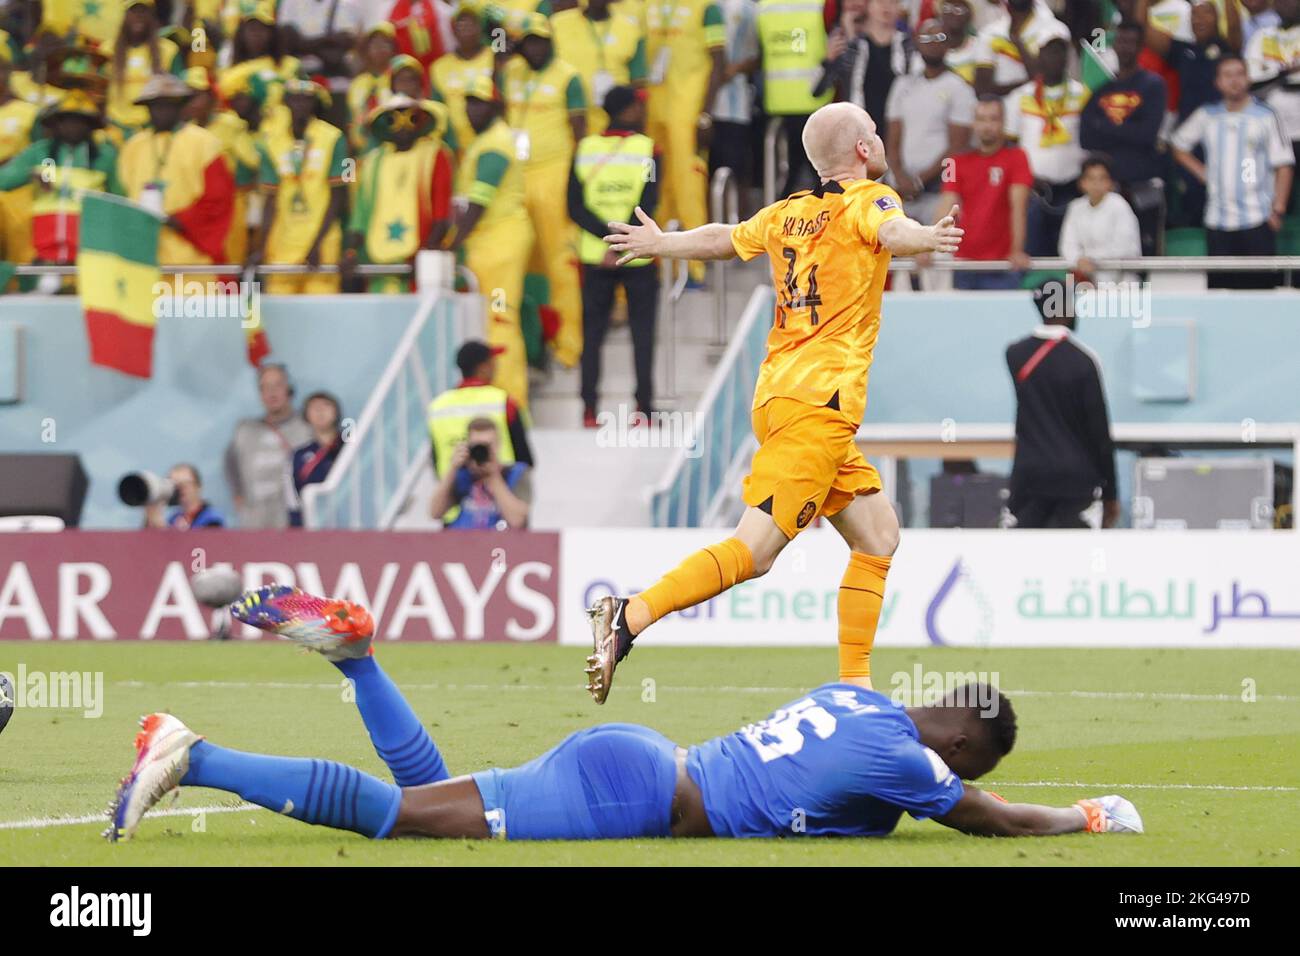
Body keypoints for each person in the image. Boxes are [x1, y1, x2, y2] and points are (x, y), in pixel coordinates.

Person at [106, 582, 1145, 844]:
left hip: (645, 759)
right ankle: (194, 756)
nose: (958, 768)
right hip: (636, 787)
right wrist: (1083, 816)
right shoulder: (914, 763)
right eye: (966, 754)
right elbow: (991, 816)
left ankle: (361, 659)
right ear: (959, 739)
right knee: (404, 819)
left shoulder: (857, 696)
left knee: (429, 798)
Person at [593, 100, 963, 704]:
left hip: (781, 397)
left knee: (878, 536)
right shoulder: (872, 200)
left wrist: (665, 244)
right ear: (864, 151)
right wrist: (928, 237)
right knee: (755, 551)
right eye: (872, 129)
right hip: (819, 403)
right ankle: (630, 615)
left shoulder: (788, 213)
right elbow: (892, 230)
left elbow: (723, 238)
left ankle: (855, 690)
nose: (877, 134)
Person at [570, 85, 661, 426]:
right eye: (637, 106)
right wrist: (623, 241)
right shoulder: (648, 148)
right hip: (638, 254)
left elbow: (574, 206)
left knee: (592, 335)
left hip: (596, 256)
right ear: (627, 110)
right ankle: (645, 412)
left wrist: (606, 241)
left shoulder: (584, 148)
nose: (641, 111)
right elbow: (650, 201)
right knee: (642, 333)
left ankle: (589, 411)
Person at [502, 15, 588, 368]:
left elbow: (580, 132)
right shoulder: (511, 73)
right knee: (523, 263)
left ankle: (569, 344)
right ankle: (532, 343)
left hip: (554, 174)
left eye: (540, 41)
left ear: (551, 42)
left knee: (560, 262)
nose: (534, 48)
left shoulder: (568, 77)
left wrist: (577, 182)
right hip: (517, 177)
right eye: (528, 42)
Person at [1172, 54, 1295, 288]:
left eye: (1239, 74)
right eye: (1228, 76)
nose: (1234, 81)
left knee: (1260, 293)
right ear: (1217, 82)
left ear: (1248, 78)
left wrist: (1278, 209)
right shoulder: (1208, 116)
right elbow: (1178, 145)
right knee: (1221, 294)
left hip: (1258, 219)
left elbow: (1284, 164)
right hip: (1217, 220)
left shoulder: (1265, 116)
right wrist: (1203, 173)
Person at [1005, 280, 1119, 530]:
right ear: (1067, 308)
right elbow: (1099, 433)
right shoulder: (1084, 361)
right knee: (1072, 563)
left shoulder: (1015, 355)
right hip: (1077, 481)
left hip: (1029, 478)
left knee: (1025, 562)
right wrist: (1111, 493)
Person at [450, 76, 535, 409]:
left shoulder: (495, 144)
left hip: (502, 244)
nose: (472, 109)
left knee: (501, 321)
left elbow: (478, 203)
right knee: (490, 323)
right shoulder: (483, 141)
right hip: (490, 244)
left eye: (480, 103)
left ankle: (512, 405)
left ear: (496, 106)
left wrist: (450, 244)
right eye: (468, 102)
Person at [117, 73, 234, 283]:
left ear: (181, 107)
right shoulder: (133, 146)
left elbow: (219, 200)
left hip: (193, 259)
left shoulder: (204, 142)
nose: (161, 111)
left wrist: (178, 221)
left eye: (168, 105)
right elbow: (123, 195)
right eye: (155, 106)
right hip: (144, 256)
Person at [644, 0, 727, 285]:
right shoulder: (648, 6)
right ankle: (660, 265)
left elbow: (719, 61)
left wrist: (705, 112)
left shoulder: (707, 8)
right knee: (657, 187)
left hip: (687, 111)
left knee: (688, 186)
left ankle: (694, 268)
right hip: (653, 109)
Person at [0, 90, 121, 273]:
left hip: (89, 250)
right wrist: (30, 173)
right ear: (56, 124)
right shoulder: (39, 152)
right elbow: (4, 180)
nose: (73, 126)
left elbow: (120, 199)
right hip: (44, 250)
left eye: (80, 121)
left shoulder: (105, 156)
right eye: (66, 120)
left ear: (90, 126)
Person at [343, 94, 454, 293]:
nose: (403, 125)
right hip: (379, 266)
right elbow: (360, 215)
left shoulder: (436, 154)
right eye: (394, 119)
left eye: (411, 117)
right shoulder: (372, 161)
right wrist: (350, 252)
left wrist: (426, 255)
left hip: (419, 270)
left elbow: (441, 213)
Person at [885, 18, 976, 248]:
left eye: (940, 38)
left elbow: (958, 145)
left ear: (949, 45)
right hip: (901, 189)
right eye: (926, 38)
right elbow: (892, 139)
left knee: (936, 255)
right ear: (916, 43)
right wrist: (901, 178)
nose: (933, 43)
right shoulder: (902, 85)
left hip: (938, 189)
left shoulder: (959, 87)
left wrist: (919, 181)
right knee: (899, 257)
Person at [1079, 20, 1168, 255]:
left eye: (1131, 43)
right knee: (1107, 249)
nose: (1125, 47)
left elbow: (1148, 134)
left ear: (1140, 48)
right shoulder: (1102, 90)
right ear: (1114, 46)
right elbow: (1085, 138)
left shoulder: (1153, 85)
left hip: (1143, 186)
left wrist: (1105, 127)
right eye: (1121, 41)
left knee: (1145, 252)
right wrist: (1129, 129)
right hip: (1108, 189)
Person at [250, 78, 346, 294]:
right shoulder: (271, 142)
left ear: (315, 104)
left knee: (320, 311)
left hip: (322, 242)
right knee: (280, 313)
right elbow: (270, 198)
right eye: (294, 100)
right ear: (286, 103)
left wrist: (317, 243)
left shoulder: (334, 137)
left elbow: (339, 196)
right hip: (283, 242)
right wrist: (261, 246)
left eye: (307, 100)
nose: (300, 106)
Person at [427, 340, 535, 526]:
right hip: (465, 500)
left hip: (496, 507)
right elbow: (524, 457)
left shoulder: (437, 407)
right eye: (492, 362)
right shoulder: (503, 401)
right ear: (483, 367)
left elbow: (436, 459)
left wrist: (491, 473)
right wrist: (456, 468)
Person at [1003, 34, 1089, 258]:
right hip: (1033, 190)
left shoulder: (1082, 94)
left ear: (1068, 59)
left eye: (1060, 54)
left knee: (1069, 250)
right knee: (1033, 251)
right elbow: (1010, 145)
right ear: (1039, 58)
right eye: (1049, 54)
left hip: (1072, 187)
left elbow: (1090, 139)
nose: (1054, 59)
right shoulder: (1020, 96)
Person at [940, 95, 1032, 289]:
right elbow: (946, 205)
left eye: (993, 119)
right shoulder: (955, 162)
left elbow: (1019, 208)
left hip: (1002, 264)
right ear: (973, 123)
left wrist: (1016, 250)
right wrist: (927, 244)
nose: (987, 125)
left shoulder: (1018, 157)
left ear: (1003, 122)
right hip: (963, 263)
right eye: (981, 119)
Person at [223, 363, 313, 530]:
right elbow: (230, 461)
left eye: (278, 385)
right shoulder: (245, 430)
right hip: (254, 523)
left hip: (295, 524)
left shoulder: (307, 428)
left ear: (289, 389)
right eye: (265, 387)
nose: (272, 392)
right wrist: (237, 493)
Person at [757, 0, 831, 196]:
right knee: (816, 176)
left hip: (779, 101)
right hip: (814, 100)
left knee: (794, 174)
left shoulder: (764, 6)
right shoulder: (818, 4)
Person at [552, 0, 647, 136]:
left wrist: (637, 121)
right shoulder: (558, 23)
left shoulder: (630, 28)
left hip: (616, 116)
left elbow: (638, 81)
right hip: (571, 114)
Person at [428, 416, 532, 529]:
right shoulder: (464, 475)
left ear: (498, 444)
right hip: (463, 541)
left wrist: (493, 477)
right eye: (478, 446)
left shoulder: (515, 473)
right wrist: (452, 468)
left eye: (488, 446)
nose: (482, 451)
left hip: (500, 543)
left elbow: (518, 521)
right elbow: (435, 512)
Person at [103, 0, 184, 140]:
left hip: (152, 129)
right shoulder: (107, 50)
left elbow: (178, 93)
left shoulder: (169, 50)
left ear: (152, 15)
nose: (139, 16)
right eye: (133, 12)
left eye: (144, 11)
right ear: (124, 16)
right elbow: (98, 93)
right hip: (115, 129)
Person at [1059, 154, 1143, 285]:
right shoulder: (1076, 207)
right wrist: (1078, 259)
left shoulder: (1119, 205)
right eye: (1091, 178)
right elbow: (1067, 245)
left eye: (1102, 178)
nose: (1096, 184)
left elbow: (1125, 247)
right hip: (1086, 281)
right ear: (1082, 183)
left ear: (1110, 182)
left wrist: (1090, 258)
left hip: (1121, 282)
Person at [429, 1, 495, 161]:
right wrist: (449, 144)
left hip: (489, 143)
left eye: (471, 23)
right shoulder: (439, 67)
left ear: (480, 28)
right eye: (460, 23)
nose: (465, 27)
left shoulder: (494, 58)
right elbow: (438, 109)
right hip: (456, 149)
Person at [1245, 0, 1300, 190]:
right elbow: (1251, 85)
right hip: (1272, 130)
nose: (1287, 4)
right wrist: (1285, 75)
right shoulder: (1262, 37)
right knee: (1279, 198)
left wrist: (1274, 76)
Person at [973, 0, 1071, 98]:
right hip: (1002, 110)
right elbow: (982, 90)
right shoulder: (990, 33)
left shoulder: (1056, 30)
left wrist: (1019, 44)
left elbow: (1046, 79)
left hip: (1042, 108)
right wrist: (1027, 86)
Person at [288, 391, 344, 528]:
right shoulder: (298, 456)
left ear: (336, 412)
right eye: (314, 407)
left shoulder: (350, 448)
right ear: (306, 416)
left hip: (350, 522)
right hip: (314, 526)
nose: (320, 411)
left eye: (326, 405)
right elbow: (293, 499)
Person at [144, 463, 225, 530]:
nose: (180, 489)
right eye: (175, 485)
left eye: (185, 484)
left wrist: (164, 529)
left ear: (198, 486)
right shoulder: (174, 518)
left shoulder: (213, 518)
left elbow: (206, 545)